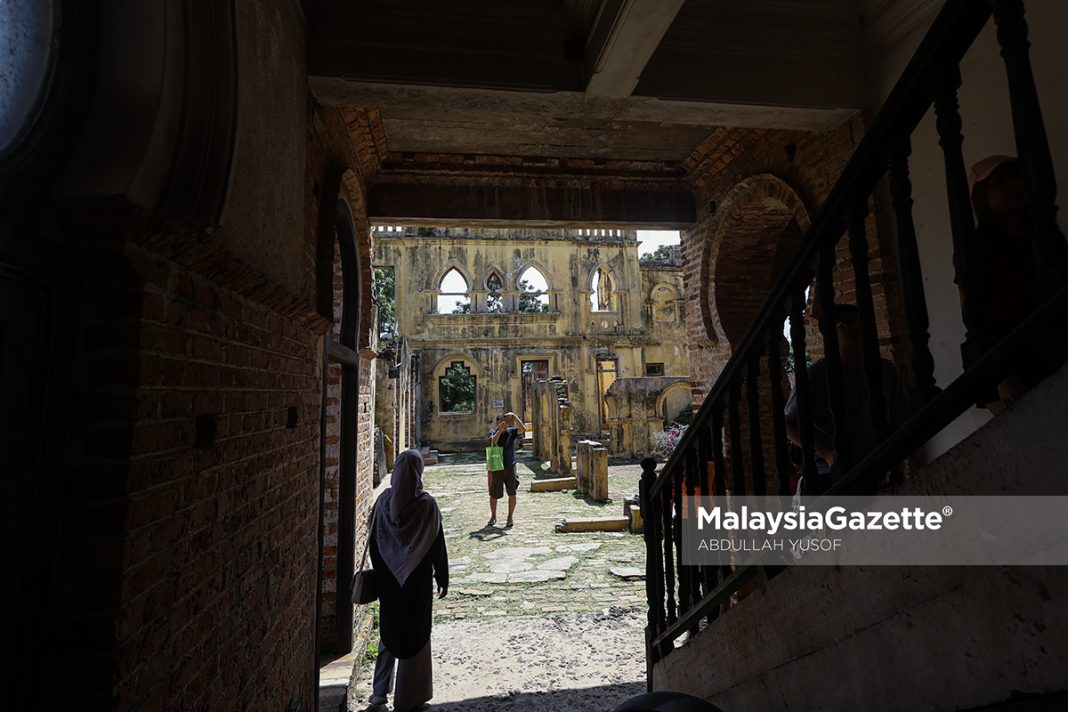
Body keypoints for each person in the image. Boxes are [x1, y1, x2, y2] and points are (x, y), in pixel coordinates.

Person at [968, 155, 1063, 414]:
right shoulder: (978, 248)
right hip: (1007, 356)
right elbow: (977, 315)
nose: (1014, 185)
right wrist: (1001, 376)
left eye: (1017, 177)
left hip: (1053, 346)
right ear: (982, 195)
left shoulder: (1045, 236)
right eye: (999, 181)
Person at [784, 304, 911, 495]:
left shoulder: (887, 372)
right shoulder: (815, 377)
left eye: (861, 323)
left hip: (875, 472)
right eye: (849, 324)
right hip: (828, 476)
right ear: (831, 334)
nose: (859, 328)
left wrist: (898, 471)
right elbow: (787, 425)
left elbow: (899, 422)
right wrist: (826, 453)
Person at [367, 449, 449, 712]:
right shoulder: (426, 505)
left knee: (389, 634)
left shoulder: (382, 503)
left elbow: (374, 542)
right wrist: (442, 577)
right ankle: (409, 697)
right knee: (417, 635)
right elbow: (437, 544)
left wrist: (385, 573)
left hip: (390, 584)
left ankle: (379, 696)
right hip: (417, 585)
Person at [487, 411, 525, 528]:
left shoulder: (511, 432)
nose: (504, 424)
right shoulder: (493, 432)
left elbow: (522, 429)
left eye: (505, 422)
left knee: (512, 493)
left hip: (510, 466)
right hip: (497, 468)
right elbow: (493, 441)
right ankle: (493, 516)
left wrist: (515, 417)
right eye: (501, 422)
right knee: (494, 494)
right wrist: (499, 431)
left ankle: (510, 517)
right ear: (497, 423)